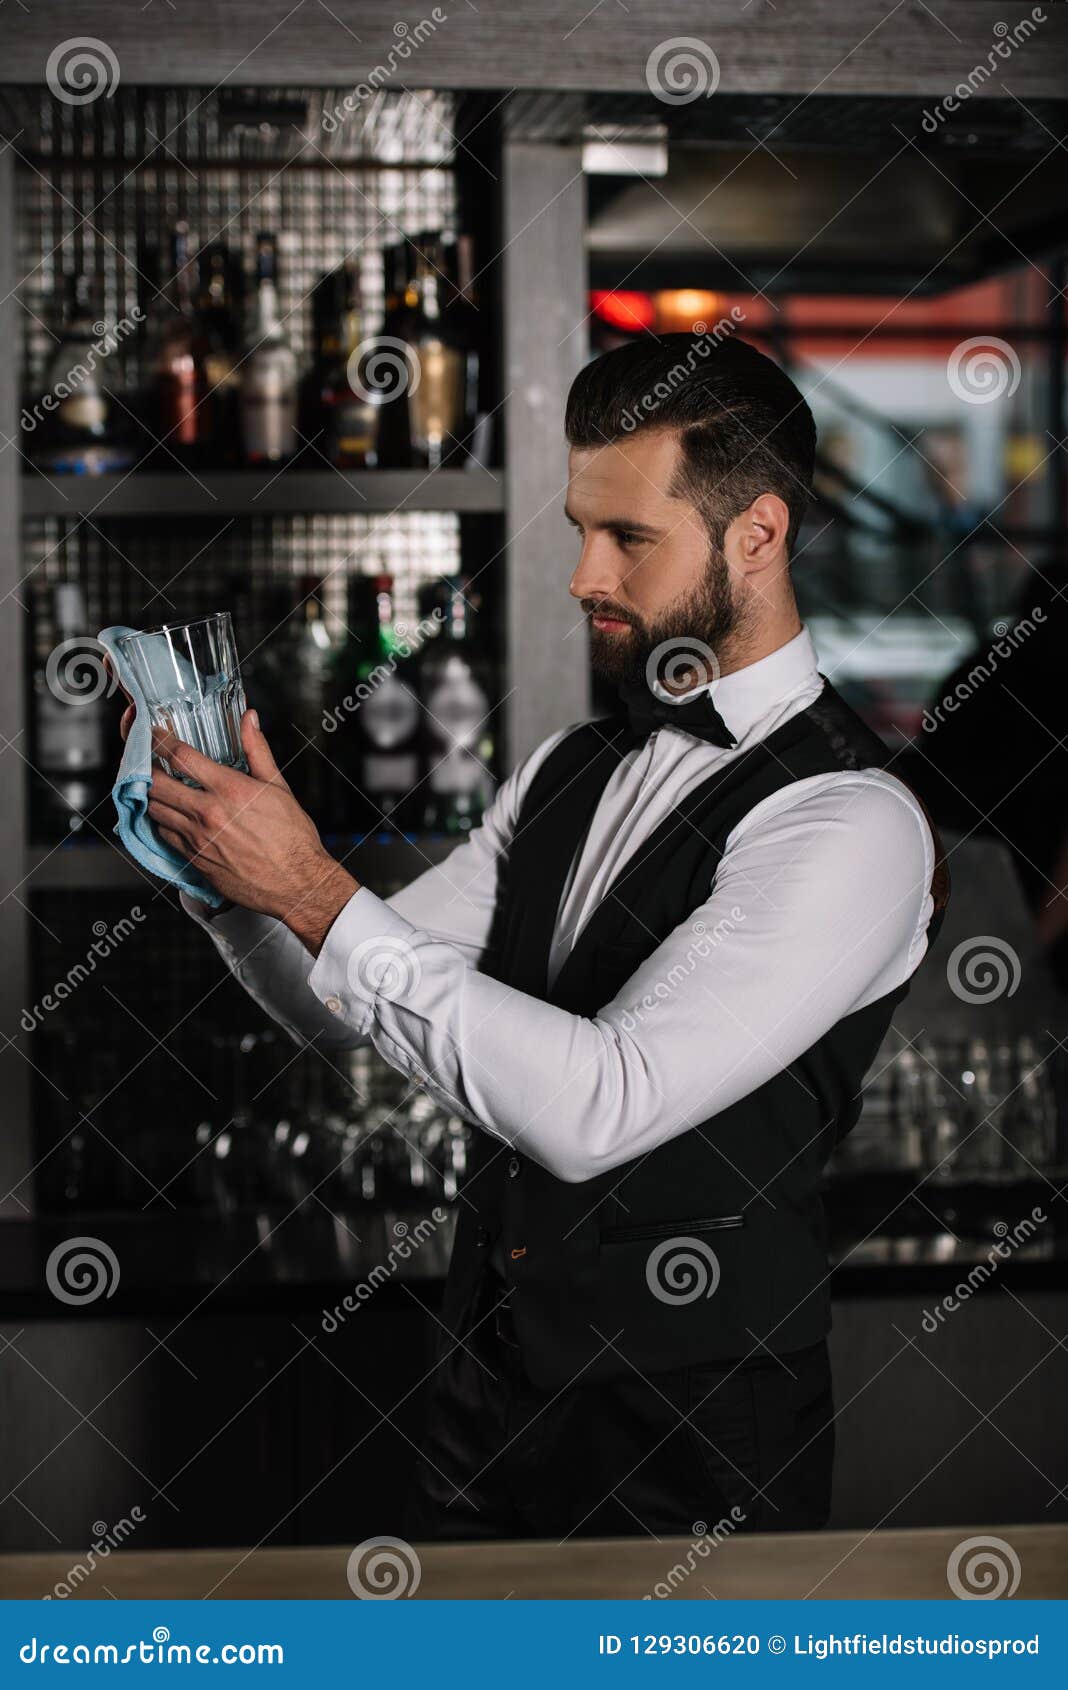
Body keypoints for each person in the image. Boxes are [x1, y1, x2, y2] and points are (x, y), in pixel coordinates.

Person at [128, 334, 948, 1542]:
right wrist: (228, 889)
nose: (581, 574)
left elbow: (598, 1105)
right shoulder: (573, 763)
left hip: (694, 1425)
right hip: (484, 1384)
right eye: (580, 528)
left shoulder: (851, 817)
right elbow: (347, 991)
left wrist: (307, 887)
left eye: (627, 538)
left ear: (758, 537)